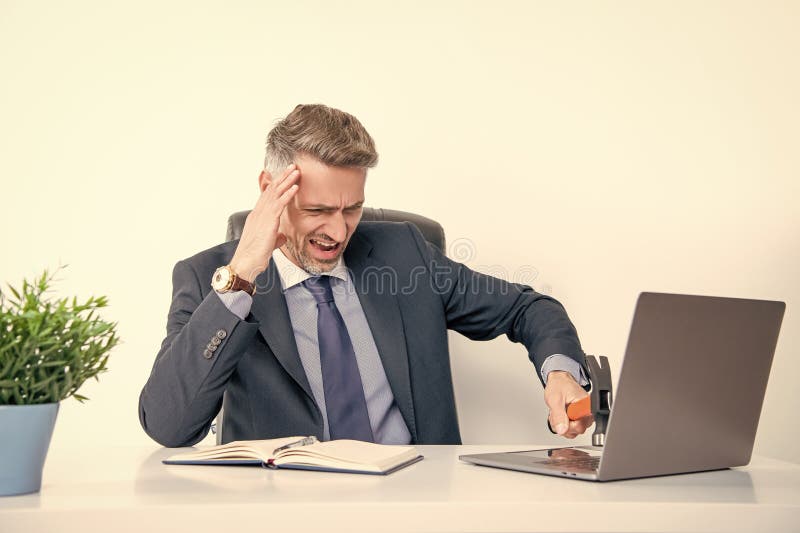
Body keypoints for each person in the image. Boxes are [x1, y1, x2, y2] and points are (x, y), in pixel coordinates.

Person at [139, 104, 593, 447]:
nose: (338, 232)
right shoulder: (208, 278)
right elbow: (167, 426)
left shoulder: (405, 255)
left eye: (351, 209)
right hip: (285, 511)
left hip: (415, 504)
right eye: (318, 210)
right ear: (269, 191)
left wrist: (561, 372)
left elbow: (528, 308)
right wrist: (240, 277)